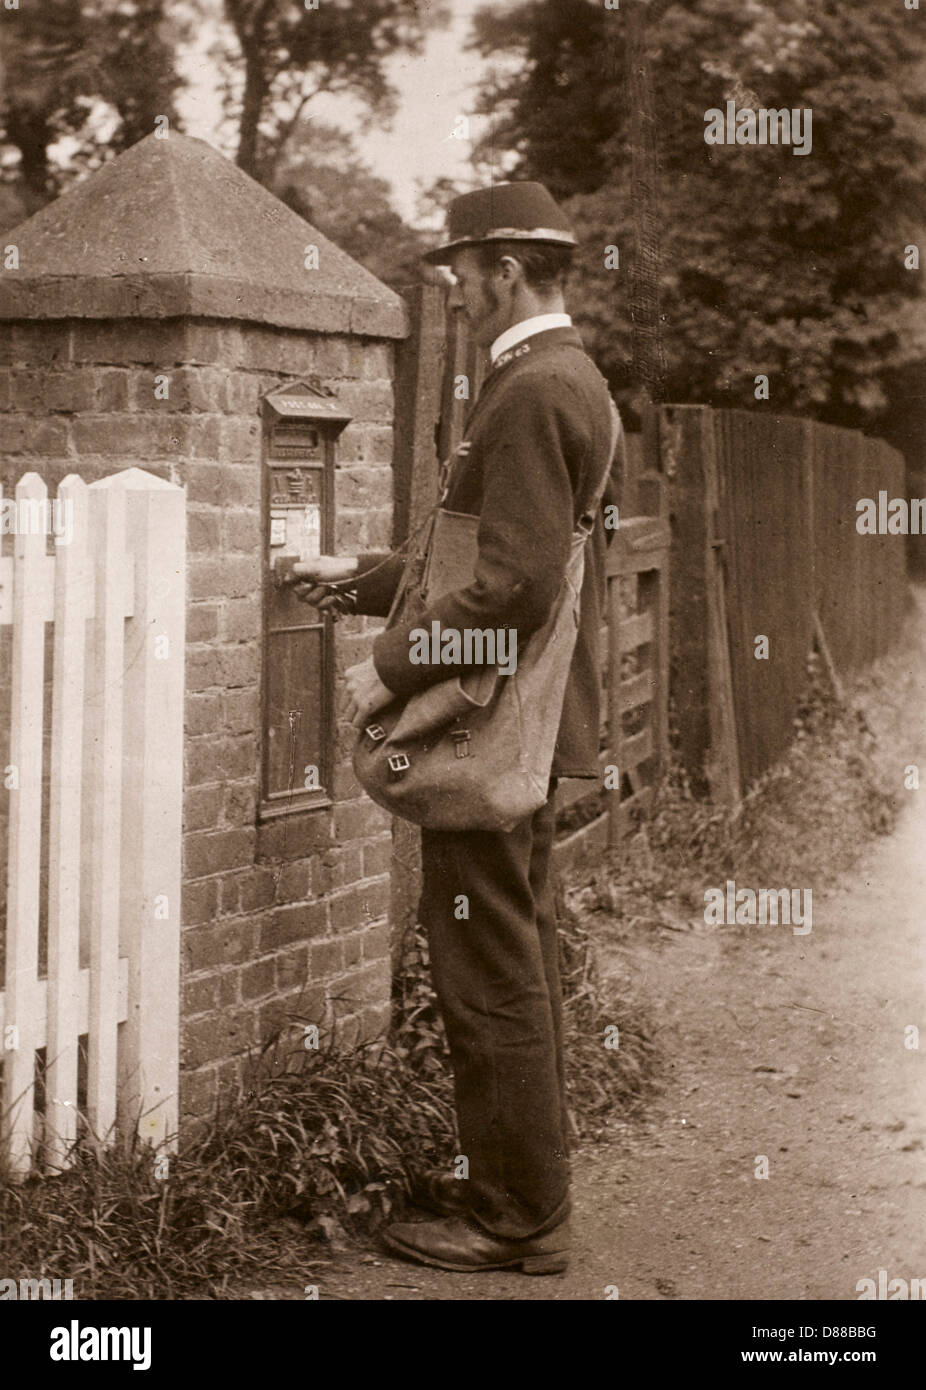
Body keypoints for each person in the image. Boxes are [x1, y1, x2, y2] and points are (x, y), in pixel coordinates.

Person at [293, 181, 623, 1274]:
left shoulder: (529, 391)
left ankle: (514, 1221)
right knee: (507, 960)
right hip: (528, 733)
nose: (456, 290)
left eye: (463, 273)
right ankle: (515, 1187)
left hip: (489, 738)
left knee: (486, 973)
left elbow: (510, 590)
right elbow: (478, 561)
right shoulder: (569, 380)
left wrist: (384, 671)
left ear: (506, 270)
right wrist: (362, 574)